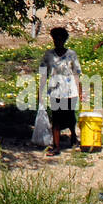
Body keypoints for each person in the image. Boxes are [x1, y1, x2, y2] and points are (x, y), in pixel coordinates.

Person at [40, 27, 83, 155]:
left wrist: (80, 91)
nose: (58, 41)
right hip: (55, 90)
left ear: (64, 40)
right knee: (56, 118)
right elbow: (43, 74)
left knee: (70, 115)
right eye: (55, 39)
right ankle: (56, 147)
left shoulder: (71, 54)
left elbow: (76, 73)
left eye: (60, 39)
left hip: (70, 90)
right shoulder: (48, 55)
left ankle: (73, 136)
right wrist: (40, 92)